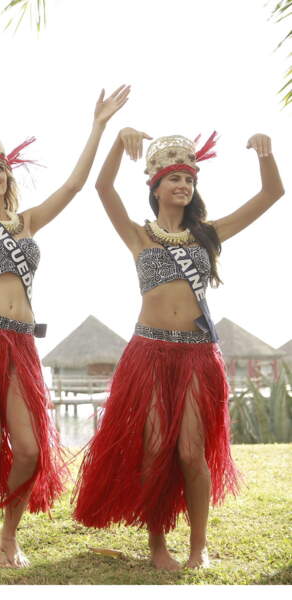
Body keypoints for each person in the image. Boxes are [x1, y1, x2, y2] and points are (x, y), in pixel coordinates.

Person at [0, 86, 130, 567]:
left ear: (7, 176)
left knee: (30, 449)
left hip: (20, 343)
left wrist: (97, 126)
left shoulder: (28, 221)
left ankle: (12, 533)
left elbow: (74, 186)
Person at [73, 127, 283, 569]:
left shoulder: (208, 234)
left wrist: (264, 152)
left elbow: (272, 193)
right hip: (148, 352)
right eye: (175, 178)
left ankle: (198, 547)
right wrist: (117, 141)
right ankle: (157, 546)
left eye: (190, 179)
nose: (184, 186)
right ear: (156, 186)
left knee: (191, 450)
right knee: (152, 449)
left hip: (196, 353)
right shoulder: (138, 236)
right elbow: (103, 187)